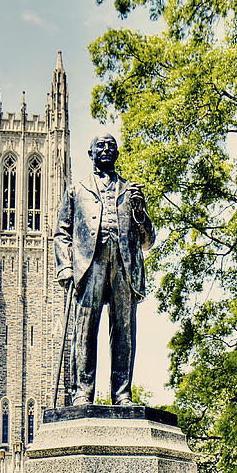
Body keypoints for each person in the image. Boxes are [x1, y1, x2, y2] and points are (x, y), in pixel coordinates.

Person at [53, 133, 155, 405]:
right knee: (85, 330)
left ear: (117, 153)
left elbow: (147, 241)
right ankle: (82, 393)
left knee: (124, 332)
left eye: (111, 146)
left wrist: (139, 211)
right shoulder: (77, 190)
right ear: (91, 153)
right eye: (100, 145)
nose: (106, 149)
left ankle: (121, 394)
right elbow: (61, 233)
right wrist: (65, 267)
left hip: (124, 266)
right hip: (89, 266)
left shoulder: (130, 191)